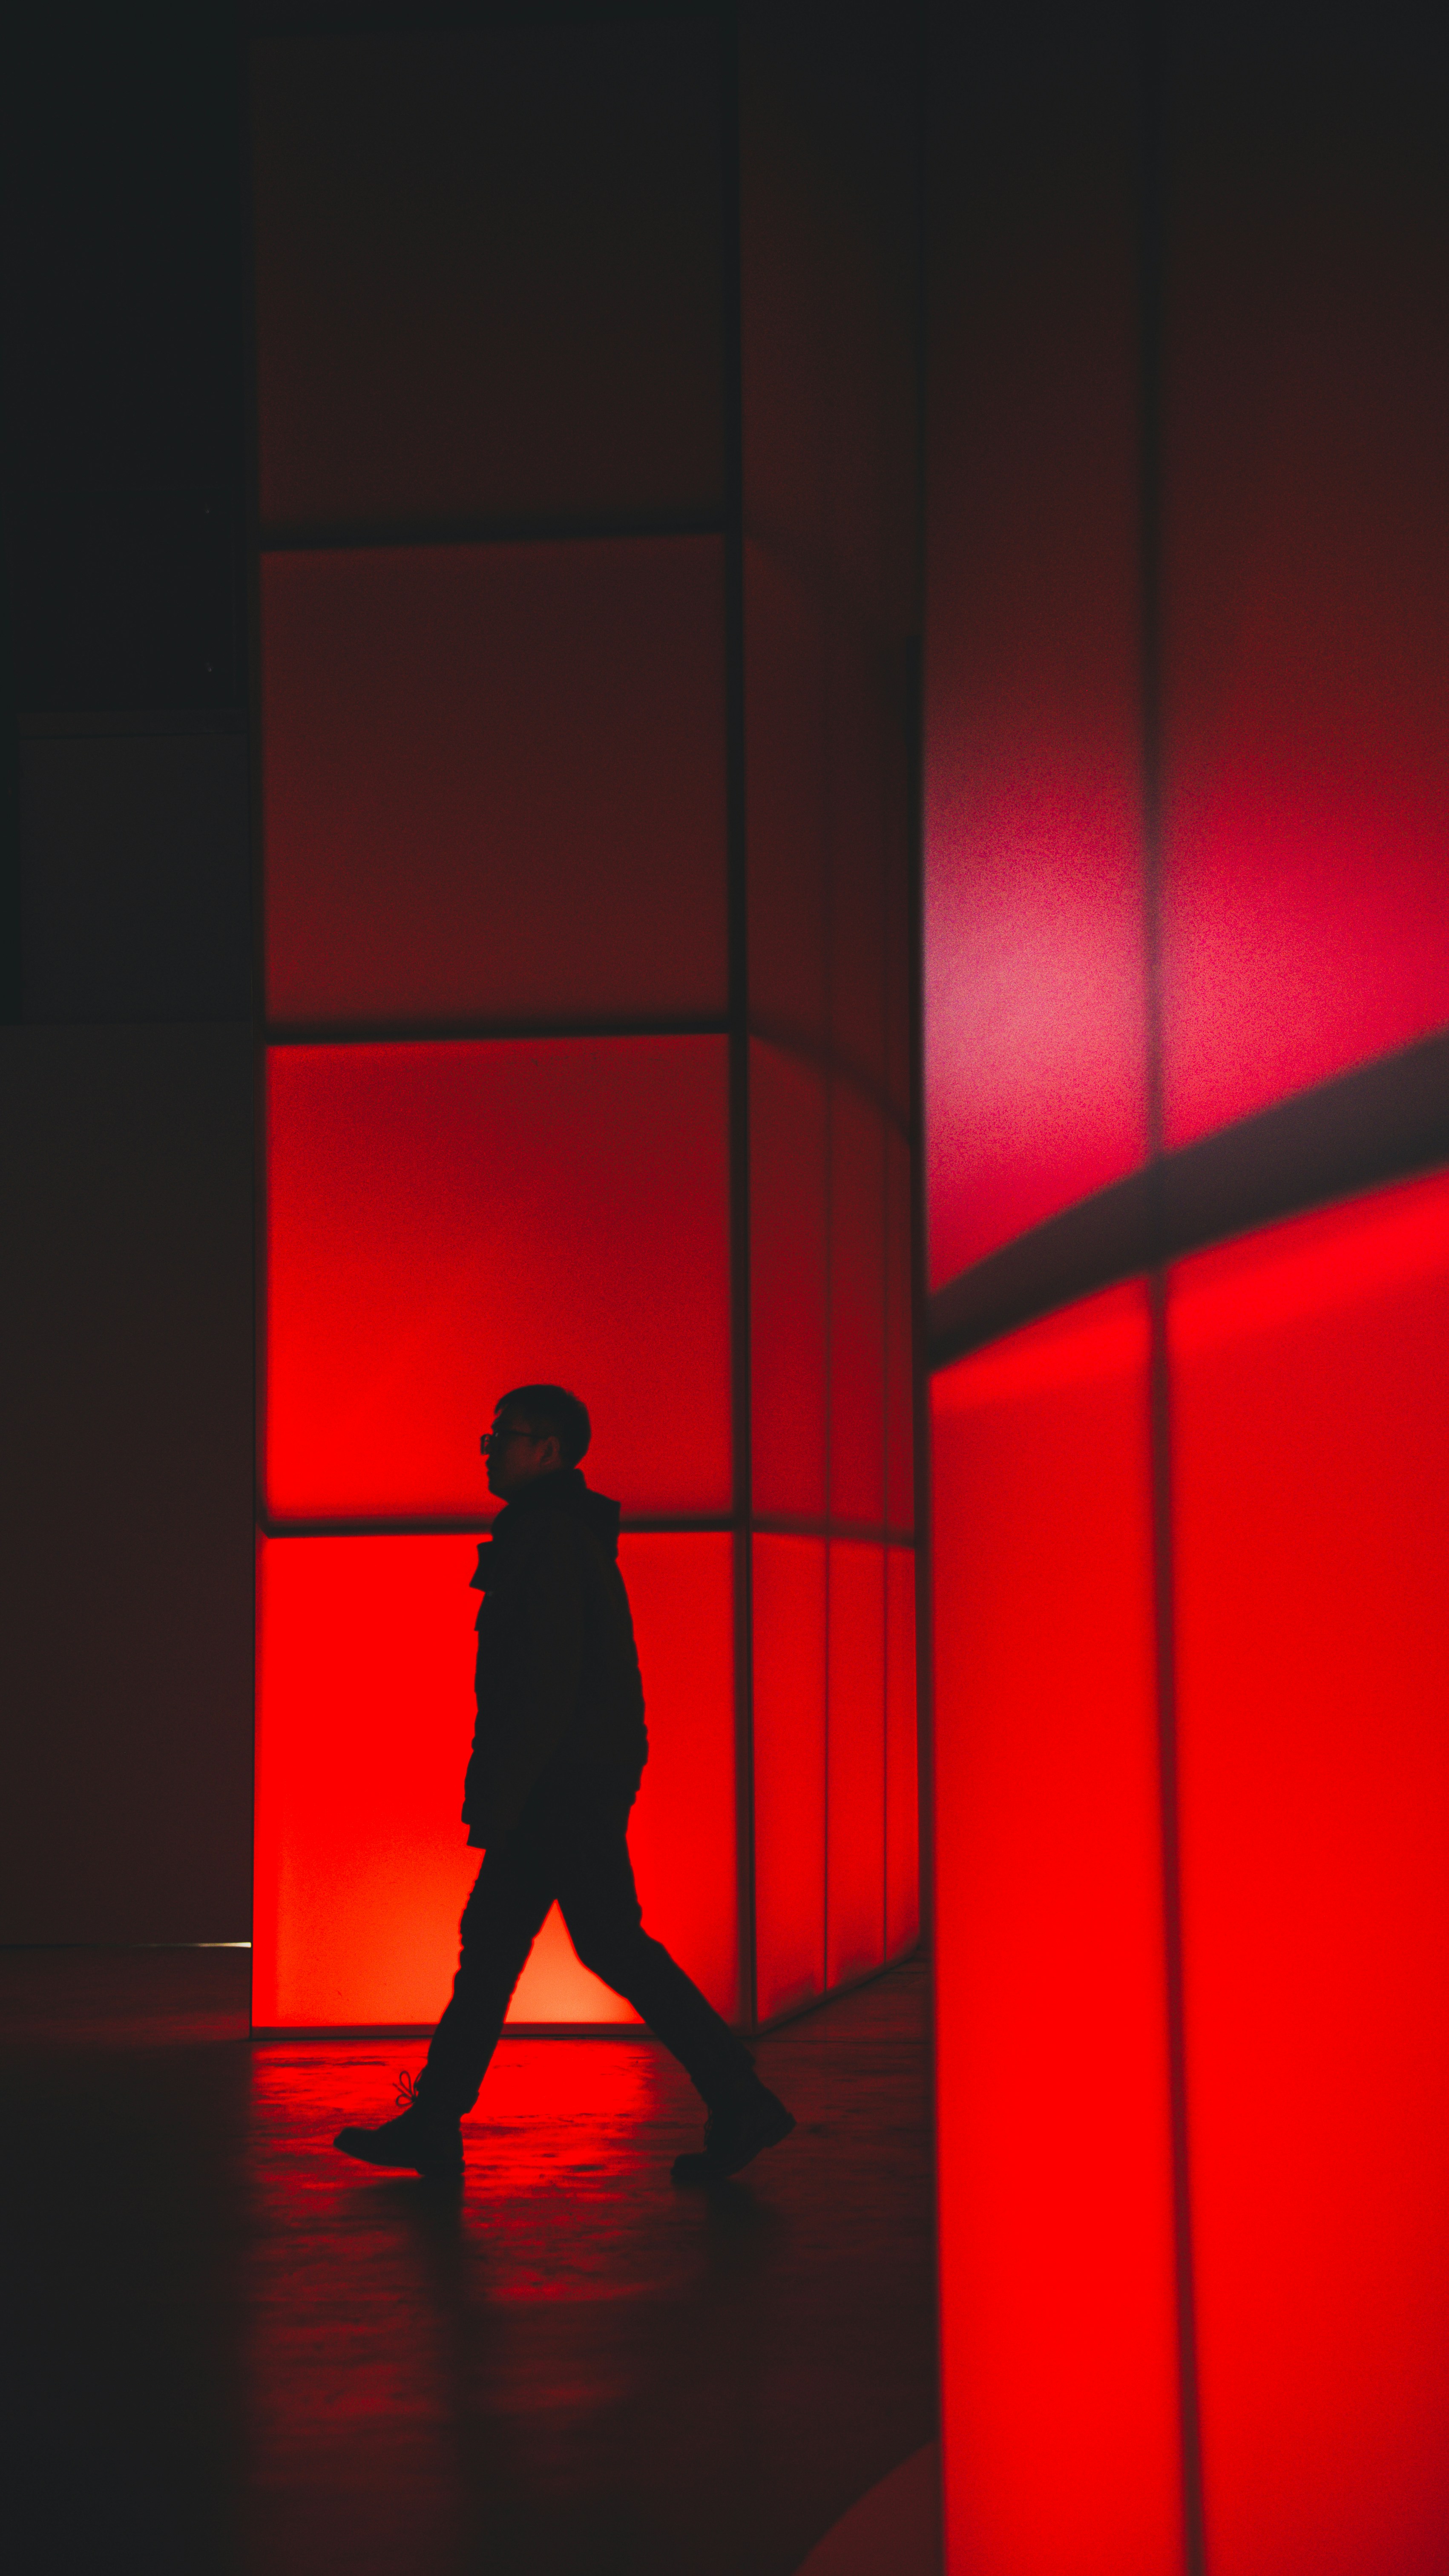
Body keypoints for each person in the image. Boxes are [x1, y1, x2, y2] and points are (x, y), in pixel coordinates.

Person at [335, 1384, 794, 2187]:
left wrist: (501, 1794)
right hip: (573, 1776)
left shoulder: (542, 1539)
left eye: (502, 1436)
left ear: (546, 1449)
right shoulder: (560, 1535)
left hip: (558, 1783)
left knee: (577, 1944)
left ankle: (738, 2098)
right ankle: (438, 2119)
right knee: (512, 1946)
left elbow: (534, 1684)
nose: (488, 1448)